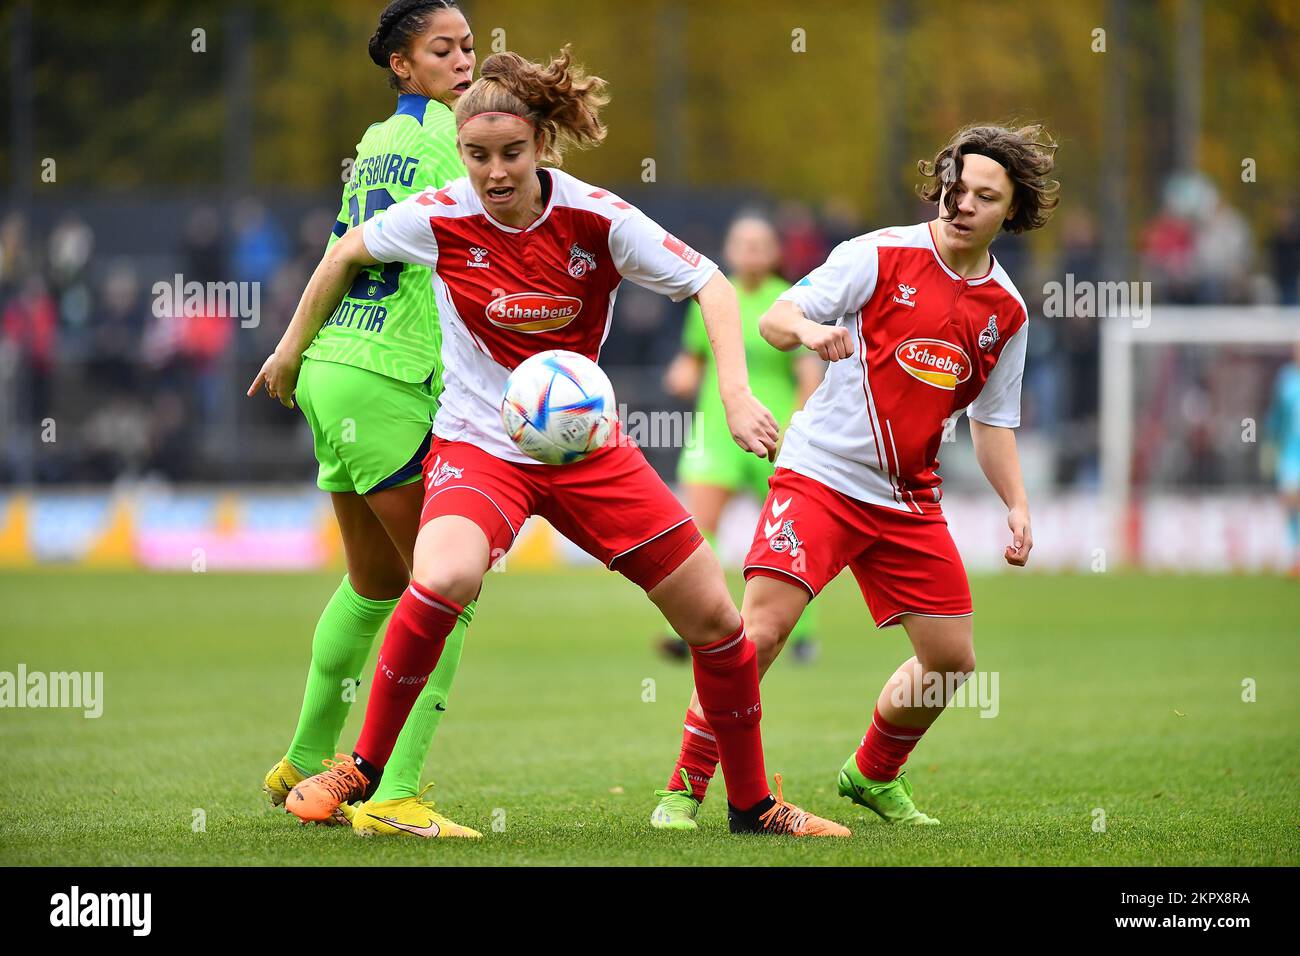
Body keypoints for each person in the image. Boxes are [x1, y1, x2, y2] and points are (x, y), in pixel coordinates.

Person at [271, 48, 850, 838]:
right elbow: (344, 251)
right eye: (477, 155)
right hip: (480, 446)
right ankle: (361, 770)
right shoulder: (439, 213)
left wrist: (738, 392)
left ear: (543, 144)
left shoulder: (597, 219)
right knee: (443, 577)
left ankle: (751, 805)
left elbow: (710, 282)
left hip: (588, 450)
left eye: (511, 153)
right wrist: (289, 348)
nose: (494, 172)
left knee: (717, 622)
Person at [650, 124, 1058, 830]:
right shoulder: (878, 252)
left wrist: (1017, 503)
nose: (961, 203)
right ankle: (684, 787)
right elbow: (779, 317)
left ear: (1011, 212)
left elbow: (993, 423)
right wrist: (811, 332)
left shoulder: (1008, 311)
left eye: (983, 196)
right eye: (954, 186)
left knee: (951, 661)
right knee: (762, 632)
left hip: (907, 499)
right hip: (820, 476)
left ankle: (872, 774)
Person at [249, 0, 480, 837]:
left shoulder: (379, 143)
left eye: (469, 47)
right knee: (447, 588)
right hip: (384, 378)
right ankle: (393, 796)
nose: (463, 60)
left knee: (376, 583)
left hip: (334, 370)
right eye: (442, 49)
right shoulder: (449, 146)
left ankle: (307, 757)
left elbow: (340, 253)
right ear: (401, 64)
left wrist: (289, 351)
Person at [658, 213, 822, 662]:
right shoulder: (714, 296)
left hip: (774, 434)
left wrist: (796, 427)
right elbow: (695, 355)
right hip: (716, 430)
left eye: (759, 244)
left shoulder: (787, 304)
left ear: (773, 254)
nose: (750, 252)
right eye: (742, 243)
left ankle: (799, 634)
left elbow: (809, 373)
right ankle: (694, 628)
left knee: (785, 536)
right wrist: (684, 372)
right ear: (729, 251)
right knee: (694, 532)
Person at [1265, 343, 1300, 575]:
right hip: (1291, 454)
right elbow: (1276, 415)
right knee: (1290, 503)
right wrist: (1269, 444)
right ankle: (1293, 554)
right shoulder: (1286, 379)